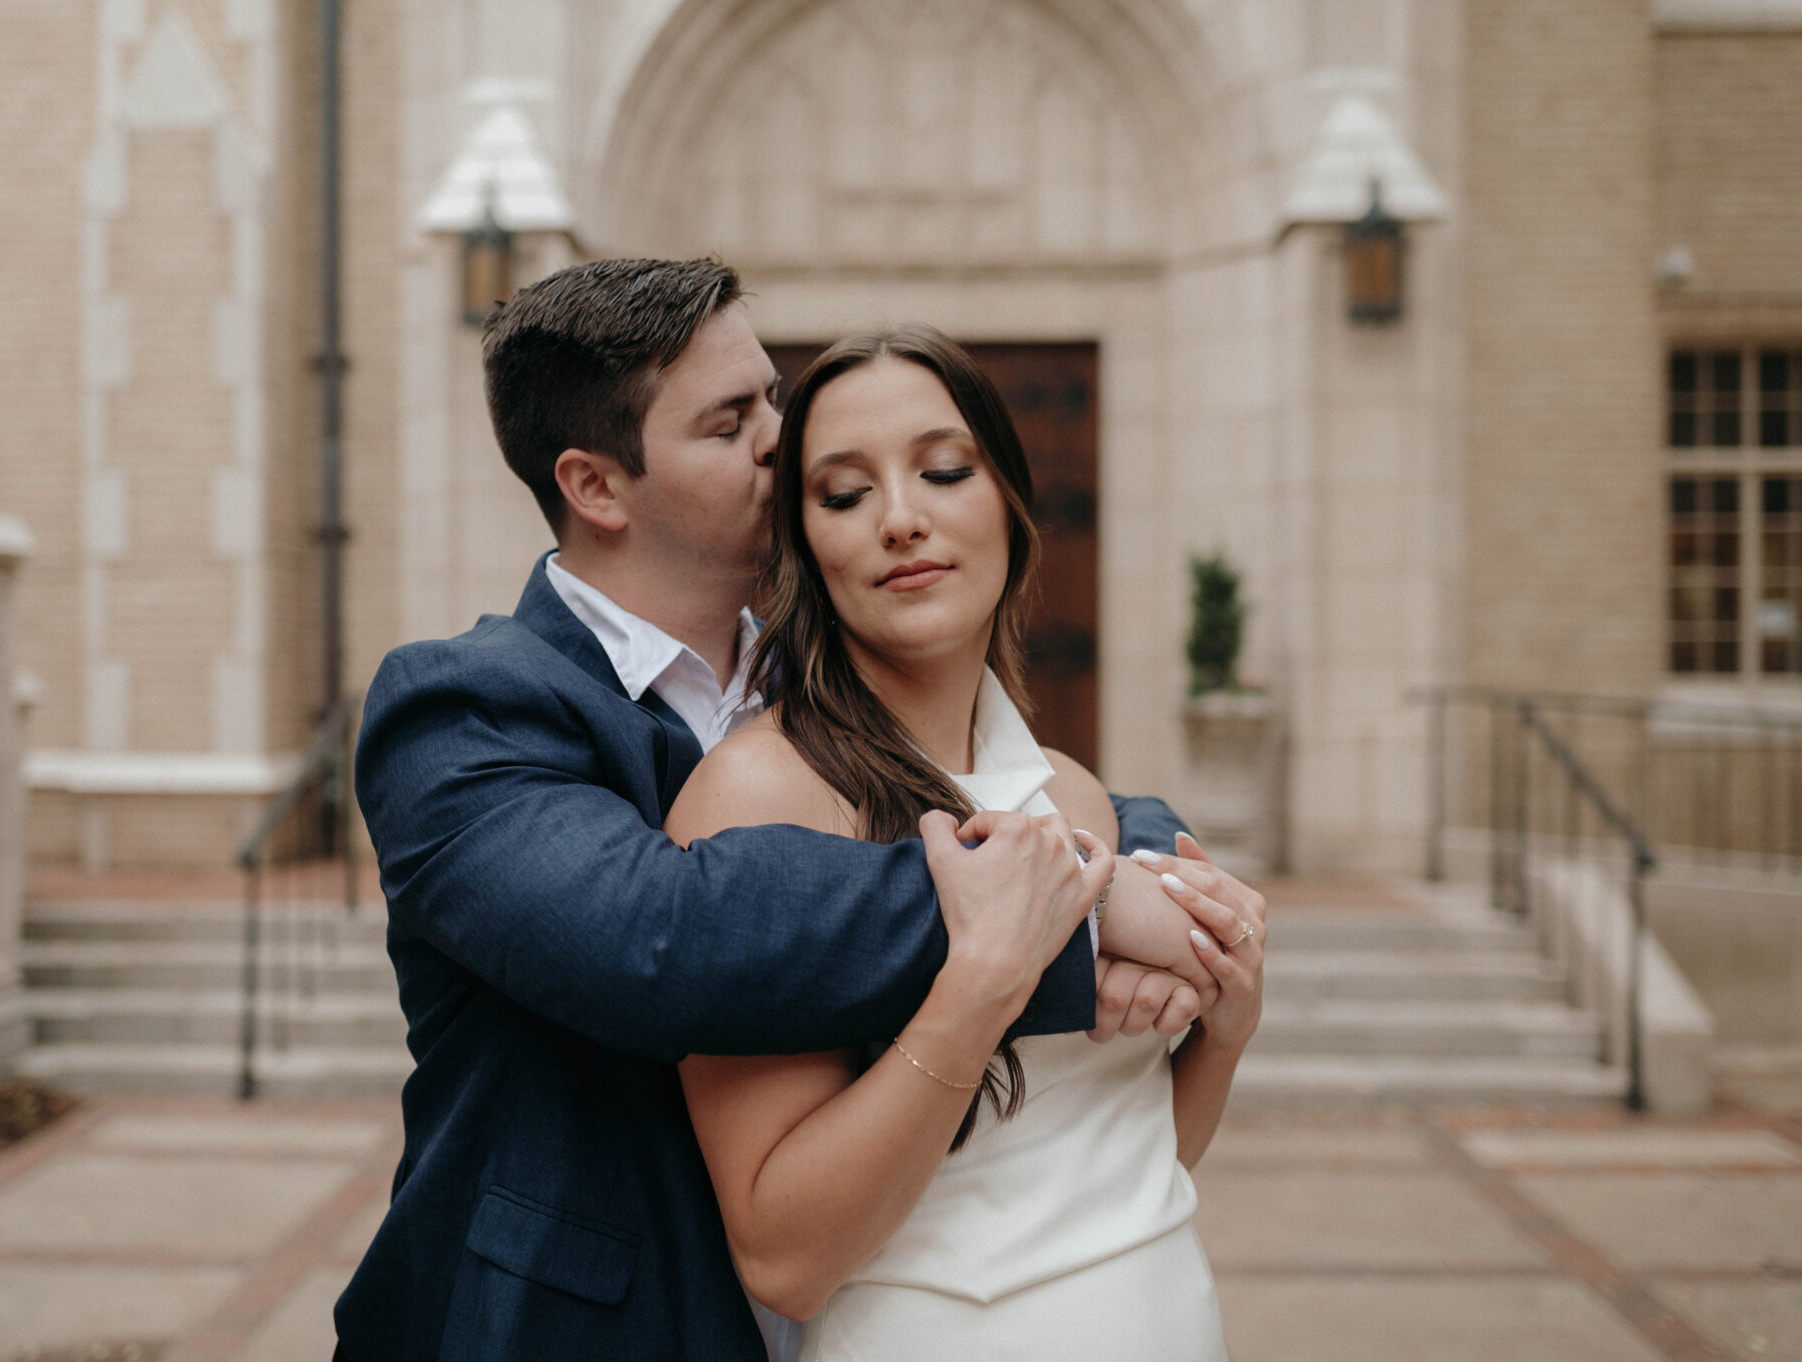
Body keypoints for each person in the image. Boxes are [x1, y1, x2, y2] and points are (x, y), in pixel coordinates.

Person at [336, 258, 1262, 1361]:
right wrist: (1082, 907)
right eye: (732, 422)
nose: (781, 442)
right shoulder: (467, 707)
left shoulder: (822, 677)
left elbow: (1038, 790)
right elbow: (659, 935)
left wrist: (1160, 871)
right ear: (595, 487)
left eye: (772, 399)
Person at [668, 326, 1265, 1360]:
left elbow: (1134, 1161)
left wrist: (1226, 1021)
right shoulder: (759, 794)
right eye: (844, 495)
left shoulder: (1070, 791)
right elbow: (782, 1256)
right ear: (807, 548)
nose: (901, 520)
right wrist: (981, 979)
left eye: (943, 471)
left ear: (1008, 505)